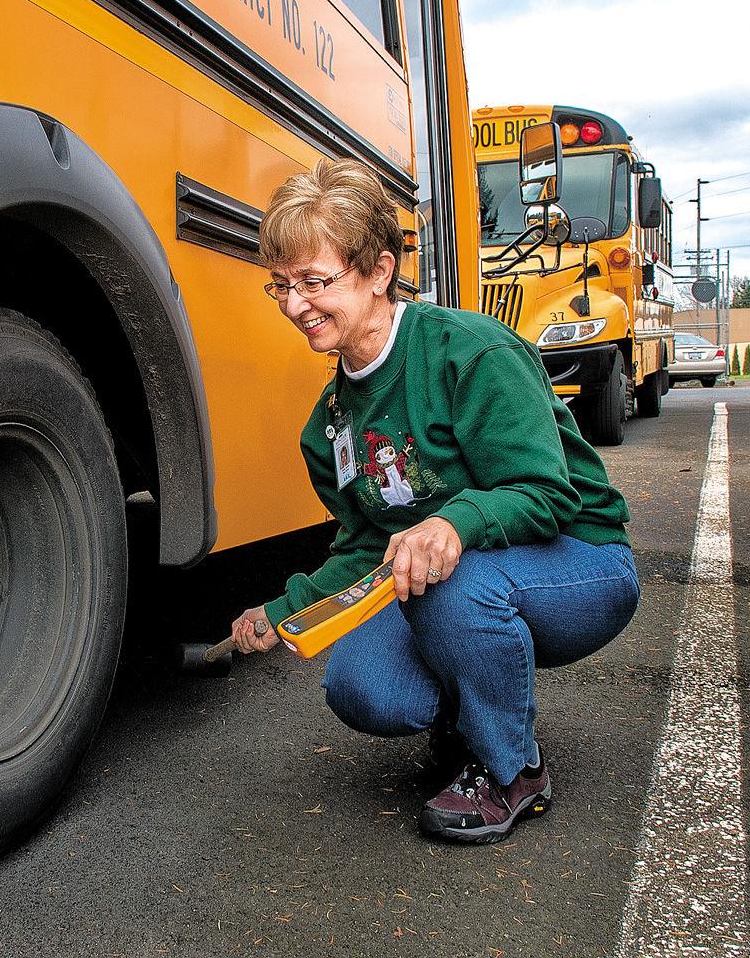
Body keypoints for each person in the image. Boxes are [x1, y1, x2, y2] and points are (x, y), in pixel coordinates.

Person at [231, 158, 639, 844]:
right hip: (460, 575)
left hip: (581, 561)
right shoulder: (329, 423)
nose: (294, 305)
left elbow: (547, 495)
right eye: (281, 285)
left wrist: (452, 521)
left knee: (455, 586)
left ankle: (513, 770)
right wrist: (282, 609)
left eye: (315, 282)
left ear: (379, 272)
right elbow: (365, 547)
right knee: (363, 686)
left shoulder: (470, 353)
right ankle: (473, 709)